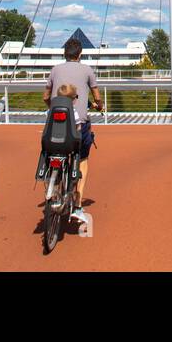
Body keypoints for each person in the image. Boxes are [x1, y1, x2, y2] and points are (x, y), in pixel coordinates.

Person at [43, 36, 102, 223]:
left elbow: (46, 96)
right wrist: (99, 105)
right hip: (79, 125)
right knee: (82, 158)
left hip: (55, 122)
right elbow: (97, 96)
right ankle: (77, 205)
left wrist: (51, 105)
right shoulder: (87, 70)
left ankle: (52, 181)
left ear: (65, 54)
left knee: (51, 150)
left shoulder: (54, 70)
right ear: (80, 54)